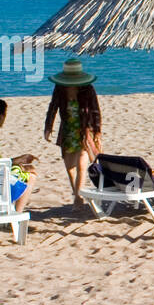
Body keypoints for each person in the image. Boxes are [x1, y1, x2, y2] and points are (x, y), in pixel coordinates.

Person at [43, 59, 102, 206]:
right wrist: (48, 127)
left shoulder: (87, 89)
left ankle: (78, 198)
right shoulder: (60, 88)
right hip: (67, 131)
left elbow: (95, 110)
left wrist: (97, 131)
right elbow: (53, 107)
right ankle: (76, 193)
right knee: (70, 167)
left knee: (82, 163)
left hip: (84, 130)